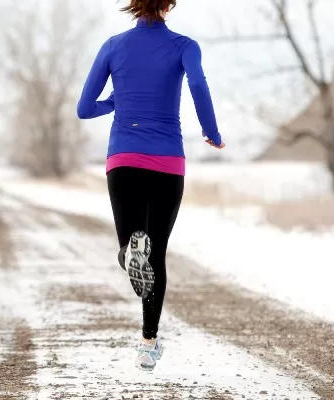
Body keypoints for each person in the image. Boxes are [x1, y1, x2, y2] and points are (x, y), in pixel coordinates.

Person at [76, 0, 225, 371]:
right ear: (169, 4)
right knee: (156, 252)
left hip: (124, 159)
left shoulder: (113, 46)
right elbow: (199, 86)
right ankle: (148, 343)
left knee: (133, 243)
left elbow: (83, 107)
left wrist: (114, 103)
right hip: (167, 161)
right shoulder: (184, 45)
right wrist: (212, 133)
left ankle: (127, 252)